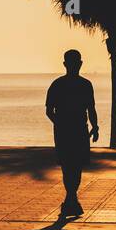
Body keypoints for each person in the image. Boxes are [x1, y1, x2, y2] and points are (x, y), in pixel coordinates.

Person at [45, 49, 99, 217]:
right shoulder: (81, 84)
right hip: (74, 130)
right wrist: (94, 126)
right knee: (72, 166)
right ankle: (71, 197)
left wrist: (95, 126)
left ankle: (71, 197)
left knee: (71, 166)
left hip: (73, 130)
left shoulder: (60, 84)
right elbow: (49, 110)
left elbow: (49, 111)